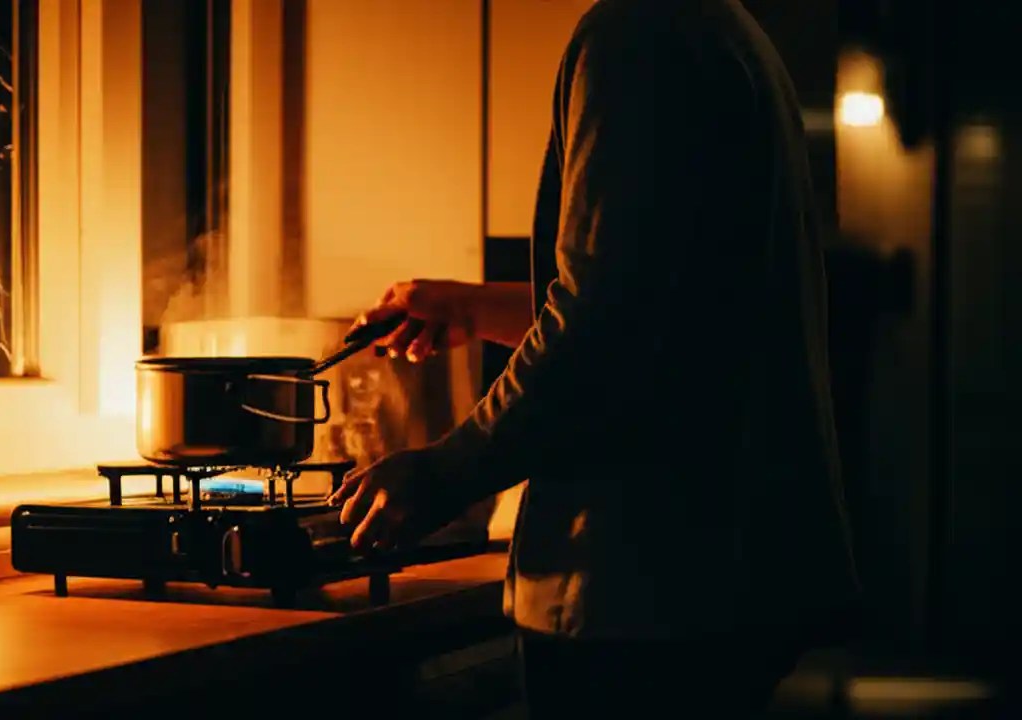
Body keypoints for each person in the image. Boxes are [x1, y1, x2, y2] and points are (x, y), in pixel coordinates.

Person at [328, 0, 861, 716]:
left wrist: (442, 473)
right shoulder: (718, 26)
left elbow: (603, 324)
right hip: (720, 567)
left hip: (644, 576)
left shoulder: (636, 34)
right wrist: (471, 306)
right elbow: (654, 300)